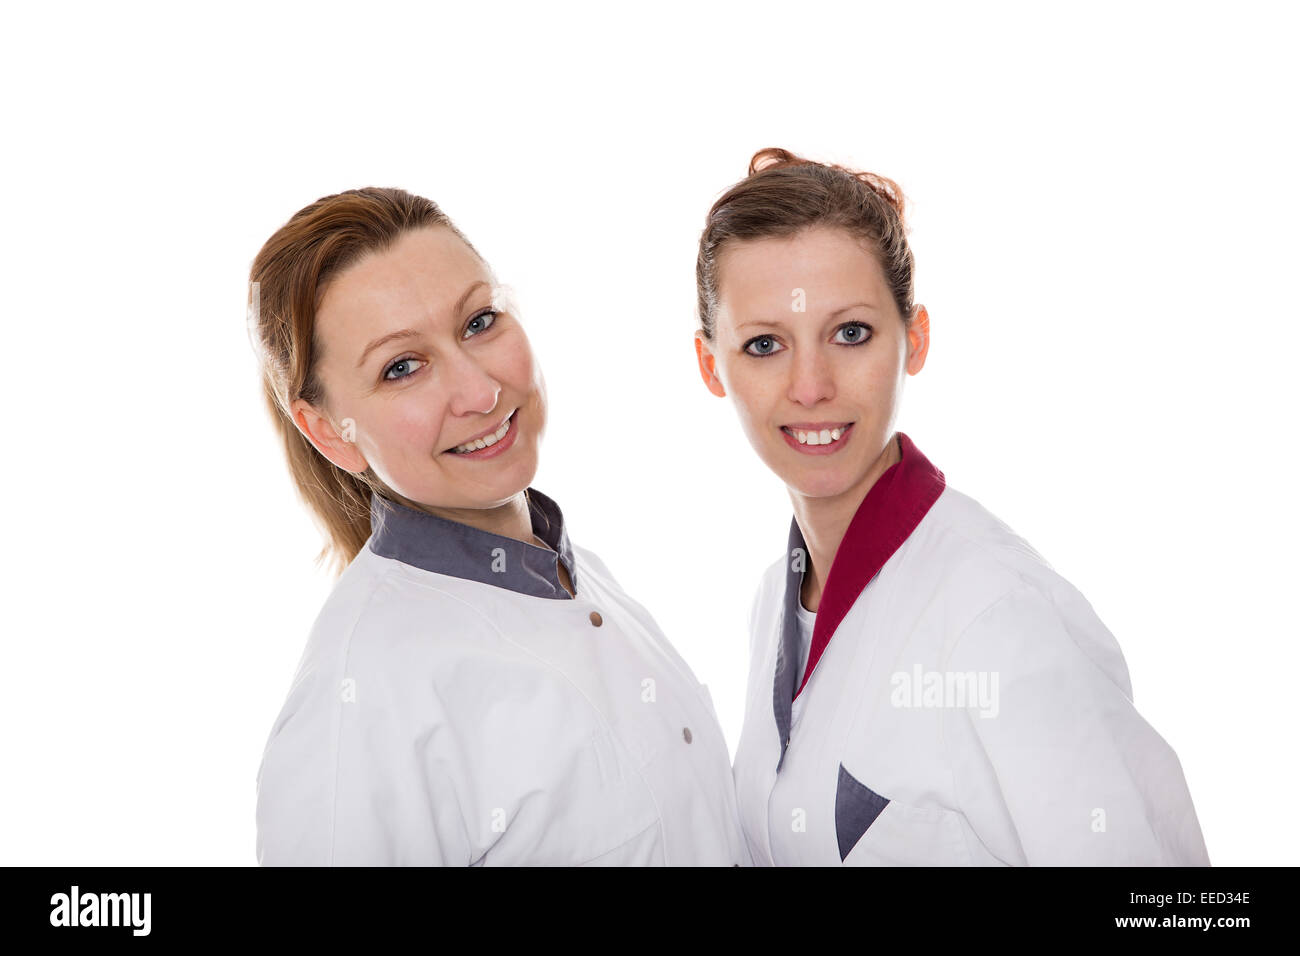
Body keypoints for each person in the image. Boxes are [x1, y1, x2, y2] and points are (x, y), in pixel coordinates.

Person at [691, 148, 1209, 866]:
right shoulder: (770, 608)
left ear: (916, 339)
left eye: (850, 333)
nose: (811, 386)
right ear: (712, 366)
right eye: (765, 344)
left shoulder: (996, 613)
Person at [250, 186, 749, 866]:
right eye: (403, 368)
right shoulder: (357, 707)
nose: (481, 393)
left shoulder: (576, 572)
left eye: (479, 322)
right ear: (329, 434)